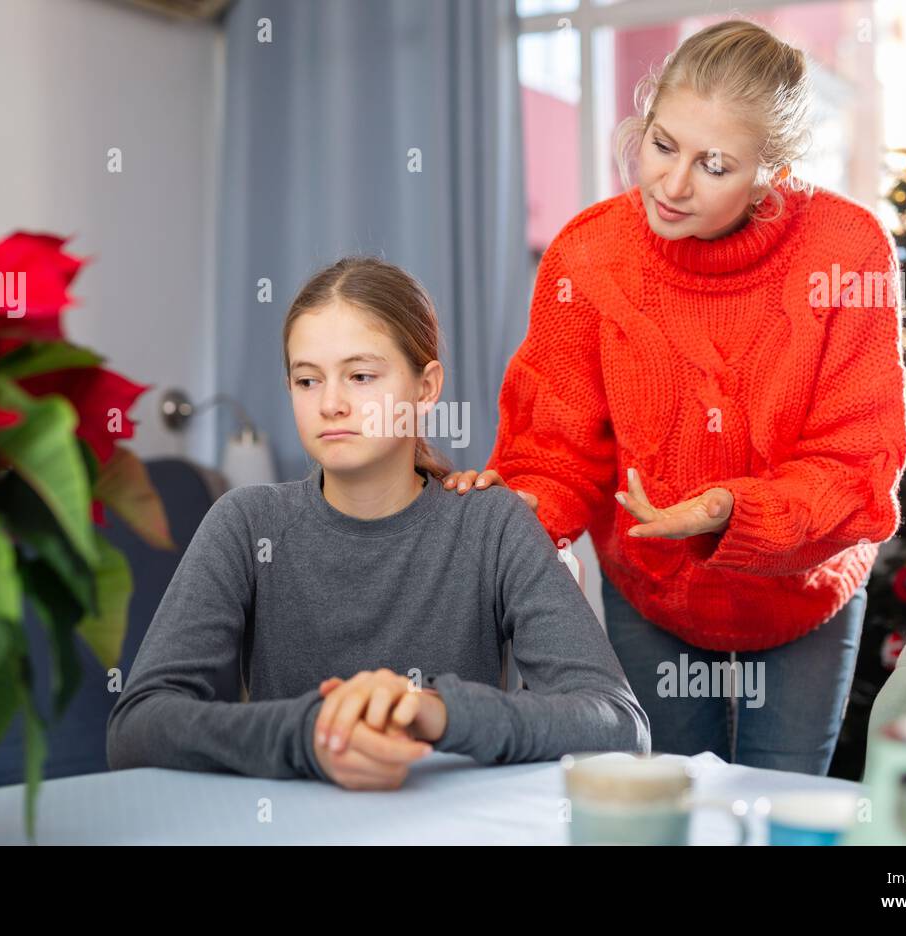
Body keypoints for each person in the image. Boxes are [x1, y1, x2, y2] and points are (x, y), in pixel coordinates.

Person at [444, 19, 906, 776]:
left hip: (800, 591)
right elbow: (557, 448)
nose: (671, 183)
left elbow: (857, 468)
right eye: (662, 144)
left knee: (776, 803)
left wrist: (734, 510)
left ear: (774, 170)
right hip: (651, 587)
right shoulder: (588, 255)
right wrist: (527, 502)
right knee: (672, 800)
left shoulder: (848, 253)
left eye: (715, 164)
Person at [107, 256, 650, 790]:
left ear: (425, 387)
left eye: (360, 376)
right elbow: (136, 728)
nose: (332, 404)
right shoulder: (246, 524)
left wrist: (437, 712)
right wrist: (311, 735)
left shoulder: (491, 523)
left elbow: (619, 725)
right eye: (307, 380)